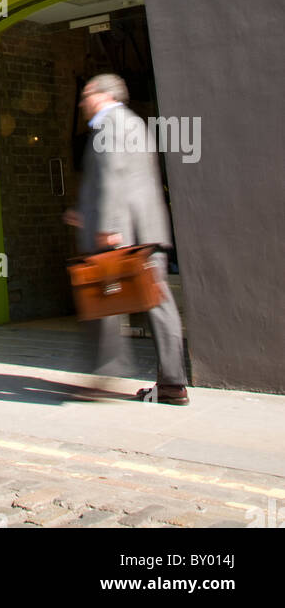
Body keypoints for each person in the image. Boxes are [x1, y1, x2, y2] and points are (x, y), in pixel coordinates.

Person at [64, 73, 189, 405]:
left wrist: (107, 226)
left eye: (86, 94)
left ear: (104, 96)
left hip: (126, 234)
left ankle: (108, 377)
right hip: (144, 229)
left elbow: (114, 174)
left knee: (104, 299)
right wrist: (86, 214)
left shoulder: (112, 122)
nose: (82, 102)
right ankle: (171, 384)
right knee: (156, 302)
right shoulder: (131, 122)